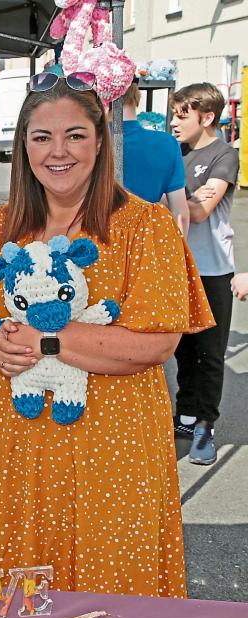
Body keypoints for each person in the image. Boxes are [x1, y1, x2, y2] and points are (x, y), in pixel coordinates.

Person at [0, 71, 213, 597]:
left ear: (101, 141)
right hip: (19, 440)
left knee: (113, 584)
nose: (59, 151)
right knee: (21, 590)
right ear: (23, 147)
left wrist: (48, 341)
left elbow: (158, 342)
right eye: (42, 137)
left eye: (75, 135)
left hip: (115, 442)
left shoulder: (144, 227)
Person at [169, 83, 239, 465]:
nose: (174, 122)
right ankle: (185, 416)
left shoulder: (224, 155)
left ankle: (204, 426)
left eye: (182, 114)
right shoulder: (173, 153)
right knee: (182, 349)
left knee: (209, 354)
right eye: (173, 114)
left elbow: (197, 211)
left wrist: (160, 193)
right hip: (178, 270)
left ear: (206, 117)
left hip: (212, 272)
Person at [121, 83, 189, 235]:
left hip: (90, 247)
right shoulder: (166, 143)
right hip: (144, 247)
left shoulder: (87, 143)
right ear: (135, 95)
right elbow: (181, 215)